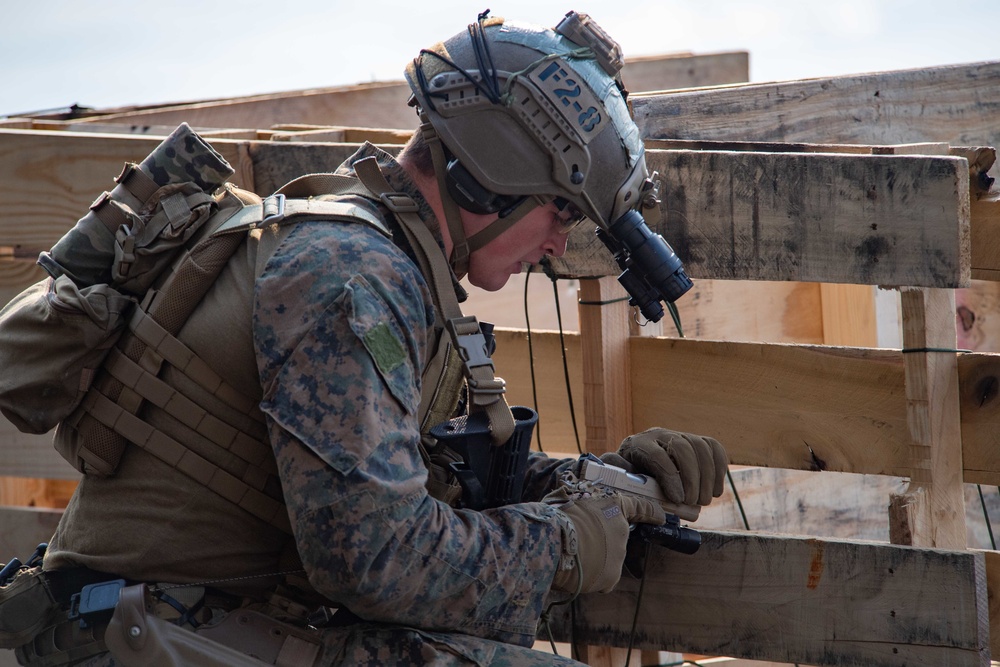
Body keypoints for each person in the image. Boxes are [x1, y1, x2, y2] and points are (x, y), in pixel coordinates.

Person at [17, 9, 728, 666]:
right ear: (492, 181)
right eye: (561, 211)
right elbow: (376, 554)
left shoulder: (389, 258)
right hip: (146, 637)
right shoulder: (351, 275)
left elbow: (403, 478)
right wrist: (568, 545)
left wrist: (598, 487)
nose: (555, 246)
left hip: (206, 622)